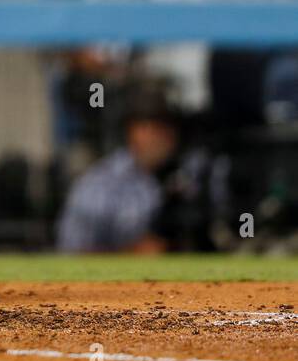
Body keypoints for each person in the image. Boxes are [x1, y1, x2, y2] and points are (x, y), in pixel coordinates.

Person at [57, 81, 220, 253]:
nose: (162, 135)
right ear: (130, 130)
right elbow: (70, 252)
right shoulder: (99, 184)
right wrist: (139, 251)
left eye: (167, 126)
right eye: (150, 126)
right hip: (124, 274)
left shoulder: (195, 171)